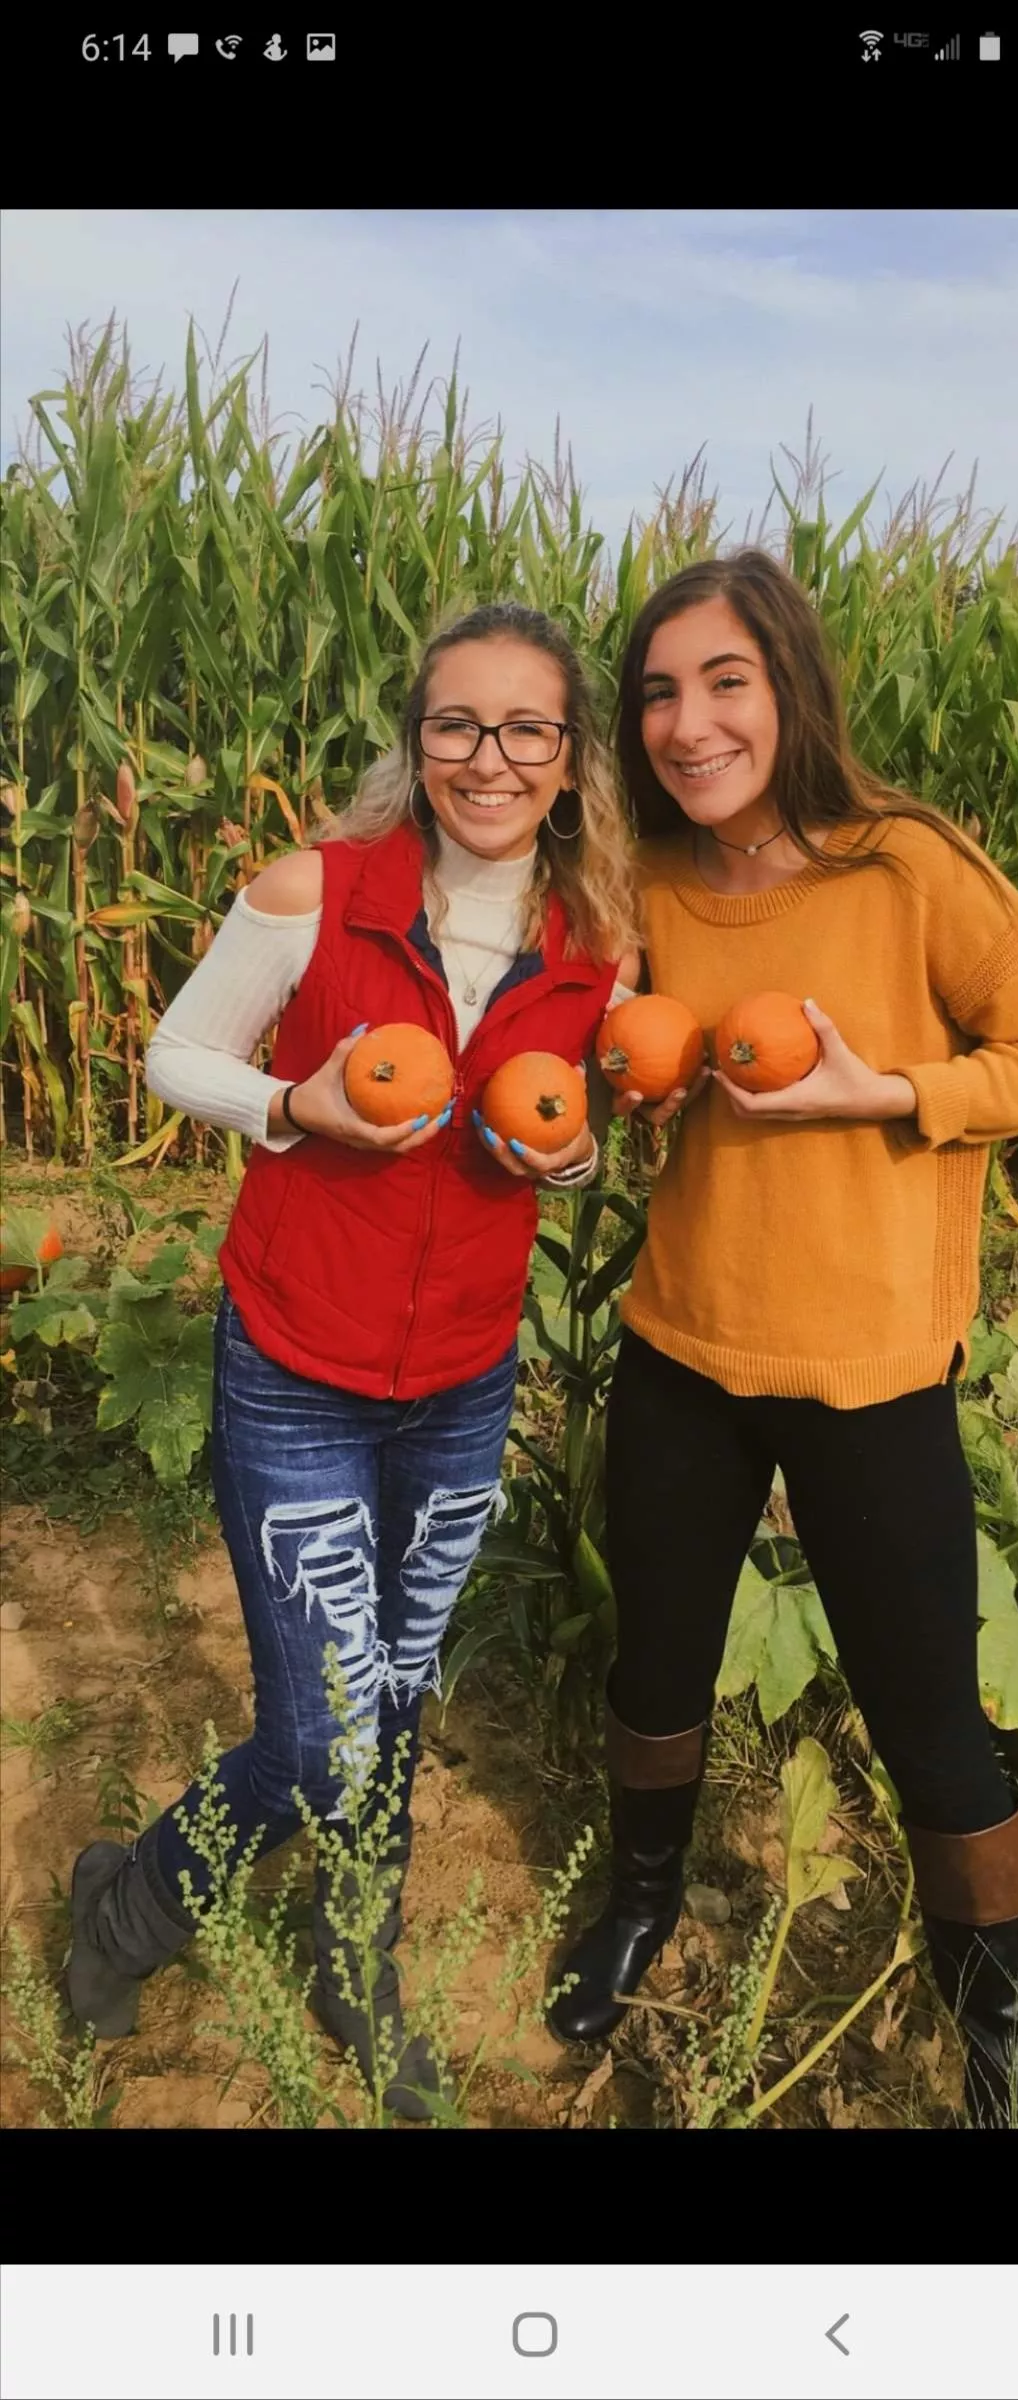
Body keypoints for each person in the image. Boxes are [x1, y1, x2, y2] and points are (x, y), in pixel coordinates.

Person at [66, 602, 638, 2119]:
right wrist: (293, 1107)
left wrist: (569, 1156)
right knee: (324, 1733)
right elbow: (175, 1054)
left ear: (570, 757)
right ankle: (127, 1905)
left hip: (461, 1379)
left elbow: (578, 1124)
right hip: (298, 1363)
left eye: (527, 728)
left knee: (395, 1690)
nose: (490, 758)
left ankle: (354, 1963)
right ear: (416, 737)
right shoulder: (315, 892)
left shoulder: (595, 941)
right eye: (458, 723)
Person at [547, 552, 1018, 2130]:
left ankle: (1001, 2046)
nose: (689, 722)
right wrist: (613, 1084)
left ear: (790, 686)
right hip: (684, 1343)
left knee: (929, 1716)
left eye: (726, 682)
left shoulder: (904, 865)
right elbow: (618, 1060)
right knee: (656, 1661)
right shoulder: (647, 878)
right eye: (658, 692)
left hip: (870, 1371)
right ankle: (642, 1904)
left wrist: (892, 1092)